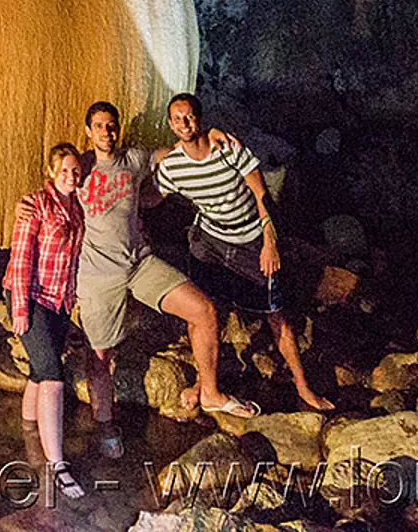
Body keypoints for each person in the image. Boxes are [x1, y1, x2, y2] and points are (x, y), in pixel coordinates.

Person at [23, 101, 259, 460]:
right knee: (101, 356)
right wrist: (27, 205)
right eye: (99, 126)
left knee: (203, 310)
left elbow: (177, 150)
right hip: (99, 276)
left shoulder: (134, 159)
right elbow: (54, 187)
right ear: (88, 131)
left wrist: (207, 135)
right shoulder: (81, 166)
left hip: (140, 263)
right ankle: (104, 424)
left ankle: (210, 393)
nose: (106, 132)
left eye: (111, 125)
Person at [155, 93, 332, 411]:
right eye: (178, 118)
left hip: (250, 239)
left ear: (201, 118)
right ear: (170, 124)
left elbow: (262, 193)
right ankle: (205, 383)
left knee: (276, 314)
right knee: (205, 312)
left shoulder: (228, 148)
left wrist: (269, 241)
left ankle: (303, 386)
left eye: (190, 116)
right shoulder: (171, 166)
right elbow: (149, 197)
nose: (184, 123)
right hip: (209, 241)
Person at [2, 142, 88, 499]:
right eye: (64, 170)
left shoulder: (78, 209)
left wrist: (70, 307)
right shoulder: (35, 204)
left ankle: (27, 431)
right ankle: (57, 465)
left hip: (58, 302)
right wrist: (19, 309)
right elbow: (21, 257)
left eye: (75, 171)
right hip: (30, 297)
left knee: (39, 370)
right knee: (53, 375)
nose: (70, 176)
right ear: (51, 172)